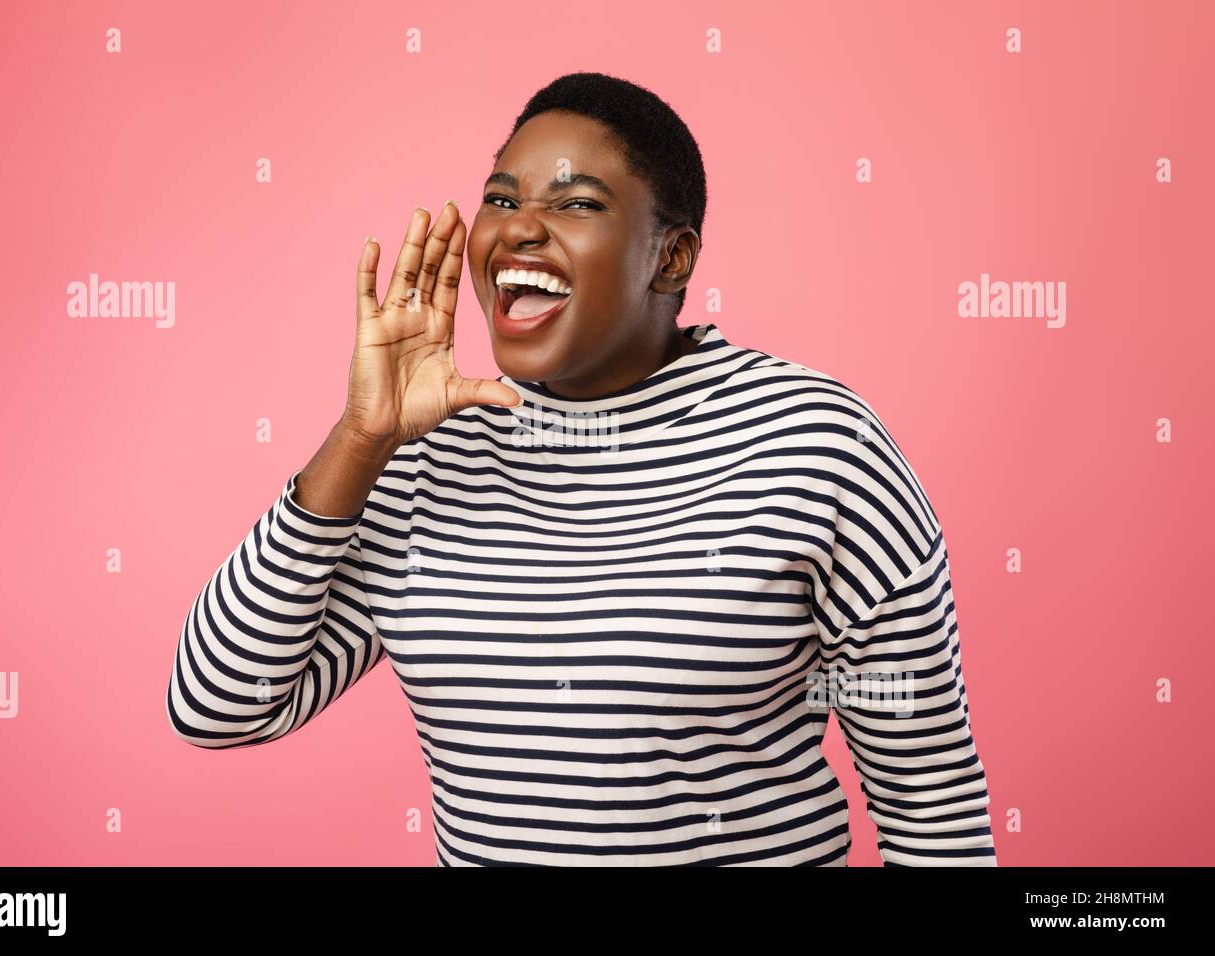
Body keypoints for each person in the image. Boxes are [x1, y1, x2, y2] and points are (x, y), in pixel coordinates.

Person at [165, 72, 998, 867]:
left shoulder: (818, 445)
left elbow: (930, 801)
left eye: (577, 204)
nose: (520, 229)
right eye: (501, 198)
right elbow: (218, 707)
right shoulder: (423, 458)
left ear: (670, 258)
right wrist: (359, 438)